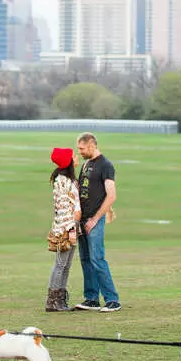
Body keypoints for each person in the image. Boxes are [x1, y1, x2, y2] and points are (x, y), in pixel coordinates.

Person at [74, 132, 120, 312]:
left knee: (97, 259)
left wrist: (95, 218)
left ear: (92, 145)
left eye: (82, 148)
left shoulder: (105, 165)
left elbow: (112, 195)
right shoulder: (85, 164)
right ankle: (91, 299)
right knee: (85, 260)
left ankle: (112, 300)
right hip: (82, 220)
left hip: (94, 220)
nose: (80, 151)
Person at [45, 147, 80, 312]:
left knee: (66, 265)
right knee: (60, 264)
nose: (77, 157)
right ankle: (53, 301)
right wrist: (71, 229)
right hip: (66, 228)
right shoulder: (63, 180)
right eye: (74, 156)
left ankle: (59, 299)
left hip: (70, 226)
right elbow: (64, 207)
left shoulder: (67, 179)